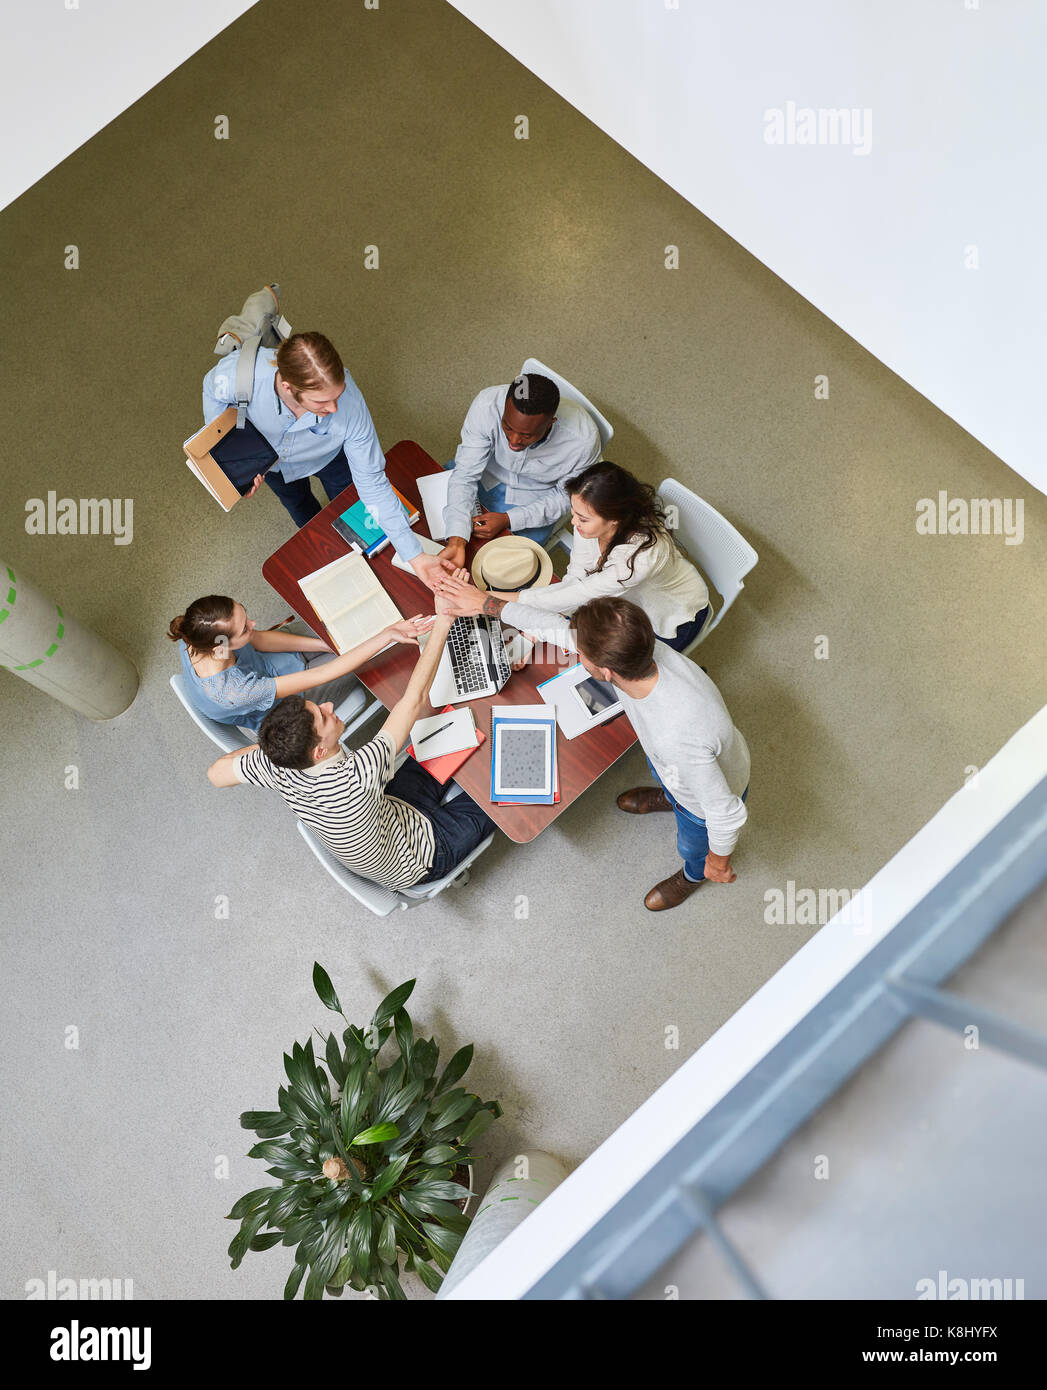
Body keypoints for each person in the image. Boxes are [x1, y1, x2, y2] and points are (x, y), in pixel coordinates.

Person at [443, 592, 749, 911]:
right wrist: (487, 605)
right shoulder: (639, 645)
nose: (574, 651)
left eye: (582, 652)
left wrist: (718, 861)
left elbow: (725, 814)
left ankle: (692, 874)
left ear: (605, 671)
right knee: (668, 776)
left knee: (692, 843)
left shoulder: (676, 735)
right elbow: (557, 629)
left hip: (704, 804)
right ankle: (669, 796)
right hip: (676, 767)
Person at [205, 611, 496, 892]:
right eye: (323, 715)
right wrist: (443, 622)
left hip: (390, 814)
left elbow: (216, 775)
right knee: (501, 785)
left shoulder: (275, 762)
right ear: (319, 751)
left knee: (455, 728)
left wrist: (274, 747)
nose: (330, 707)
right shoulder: (357, 776)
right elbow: (414, 698)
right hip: (424, 857)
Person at [201, 331, 446, 588]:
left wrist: (415, 556)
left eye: (337, 396)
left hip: (329, 457)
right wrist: (232, 453)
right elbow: (212, 390)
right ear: (288, 387)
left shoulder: (350, 406)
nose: (334, 409)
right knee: (298, 505)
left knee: (348, 505)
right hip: (273, 465)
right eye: (321, 401)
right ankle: (326, 547)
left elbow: (372, 483)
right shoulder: (240, 375)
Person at [436, 460, 710, 650]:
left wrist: (486, 600)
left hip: (671, 619)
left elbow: (578, 596)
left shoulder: (640, 559)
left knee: (610, 672)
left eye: (582, 519)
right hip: (621, 598)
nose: (574, 524)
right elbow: (576, 580)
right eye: (574, 513)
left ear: (614, 520)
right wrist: (533, 634)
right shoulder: (590, 522)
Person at [169, 594, 432, 734]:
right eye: (244, 629)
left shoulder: (196, 634)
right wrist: (385, 635)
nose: (253, 624)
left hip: (267, 666)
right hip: (281, 703)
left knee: (336, 629)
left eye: (245, 616)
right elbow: (324, 673)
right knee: (374, 654)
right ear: (220, 647)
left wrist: (324, 644)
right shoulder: (234, 692)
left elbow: (258, 640)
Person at [438, 373, 601, 568]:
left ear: (551, 423)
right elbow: (465, 474)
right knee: (430, 523)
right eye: (507, 427)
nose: (514, 441)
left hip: (535, 499)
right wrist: (457, 538)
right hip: (484, 472)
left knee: (503, 569)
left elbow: (566, 497)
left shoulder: (583, 442)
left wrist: (509, 520)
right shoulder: (487, 405)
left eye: (526, 435)